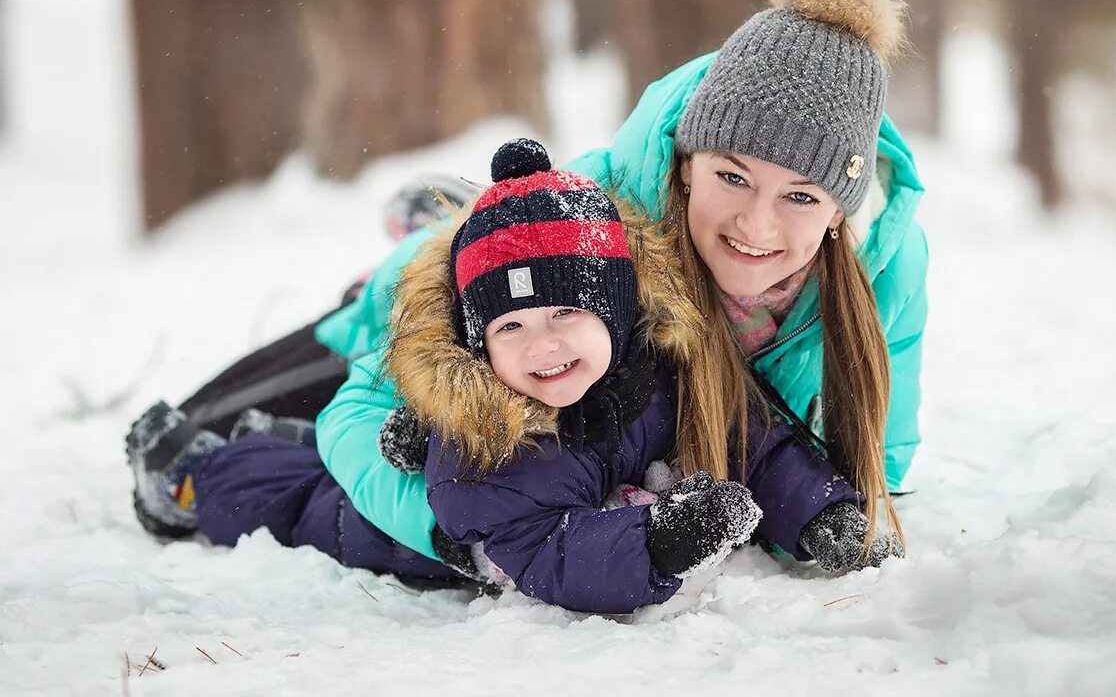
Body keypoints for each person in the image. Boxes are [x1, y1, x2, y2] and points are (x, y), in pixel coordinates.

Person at [132, 0, 925, 571]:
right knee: (199, 436)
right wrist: (466, 533)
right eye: (732, 176)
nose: (756, 226)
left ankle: (451, 208)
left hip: (561, 376)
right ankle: (441, 229)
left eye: (800, 196)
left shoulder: (882, 271)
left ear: (838, 212)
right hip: (417, 315)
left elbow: (868, 473)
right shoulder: (599, 217)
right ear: (686, 164)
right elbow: (358, 408)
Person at [125, 140, 896, 613]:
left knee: (306, 463)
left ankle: (273, 440)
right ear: (478, 341)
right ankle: (191, 478)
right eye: (510, 328)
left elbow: (754, 441)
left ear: (622, 315)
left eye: (566, 316)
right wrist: (658, 545)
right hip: (382, 529)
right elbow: (539, 551)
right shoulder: (487, 440)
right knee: (295, 499)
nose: (543, 347)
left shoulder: (662, 371)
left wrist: (825, 514)